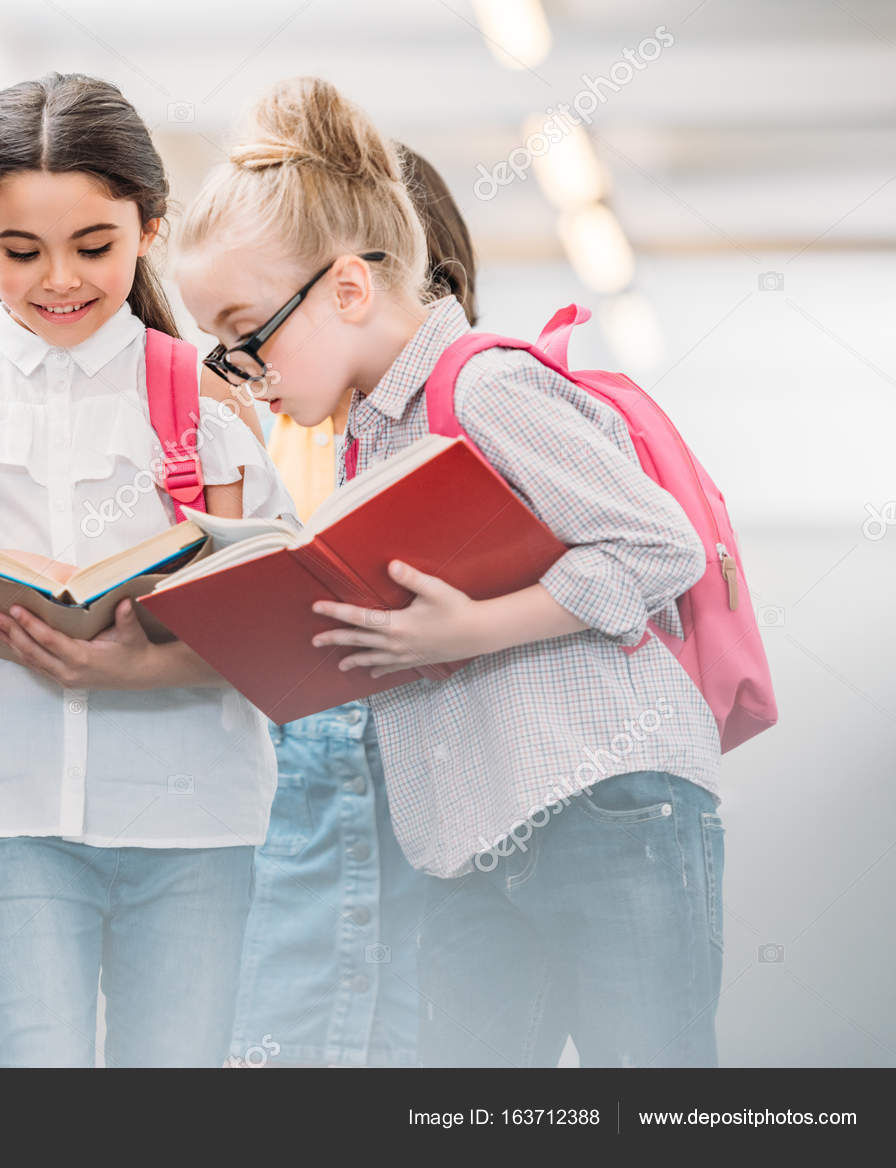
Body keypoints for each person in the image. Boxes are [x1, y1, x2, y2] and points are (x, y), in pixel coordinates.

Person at [176, 77, 722, 1067]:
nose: (244, 377)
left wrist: (466, 631)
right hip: (473, 845)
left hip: (604, 808)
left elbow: (658, 545)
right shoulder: (364, 441)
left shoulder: (481, 380)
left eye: (246, 338)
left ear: (346, 288)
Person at [0, 74, 295, 1067]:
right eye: (19, 250)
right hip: (7, 817)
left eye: (95, 247)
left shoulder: (207, 399)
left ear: (149, 227)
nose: (60, 280)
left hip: (193, 821)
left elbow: (270, 634)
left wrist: (129, 660)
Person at [230, 145, 478, 1068]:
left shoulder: (470, 397)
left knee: (406, 1023)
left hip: (407, 733)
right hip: (304, 738)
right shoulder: (273, 403)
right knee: (304, 1016)